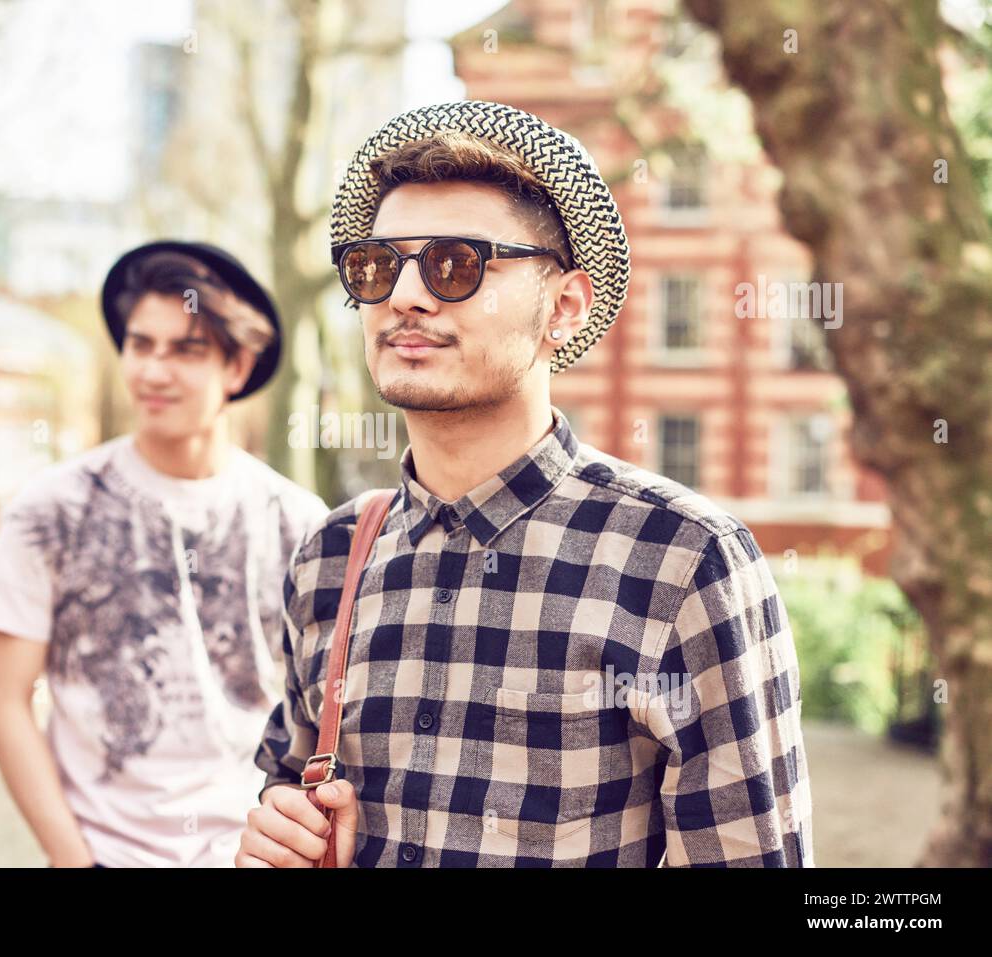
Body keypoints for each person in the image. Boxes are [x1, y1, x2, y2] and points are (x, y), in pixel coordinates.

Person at [239, 101, 814, 868]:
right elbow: (288, 784)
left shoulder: (683, 560)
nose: (405, 296)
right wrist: (283, 832)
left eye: (454, 262)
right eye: (379, 266)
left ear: (564, 307)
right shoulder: (331, 556)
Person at [0, 241, 329, 867]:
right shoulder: (53, 509)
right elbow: (5, 701)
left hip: (245, 852)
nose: (154, 371)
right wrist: (71, 857)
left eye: (186, 349)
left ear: (237, 367)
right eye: (141, 345)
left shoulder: (300, 523)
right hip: (103, 851)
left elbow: (322, 715)